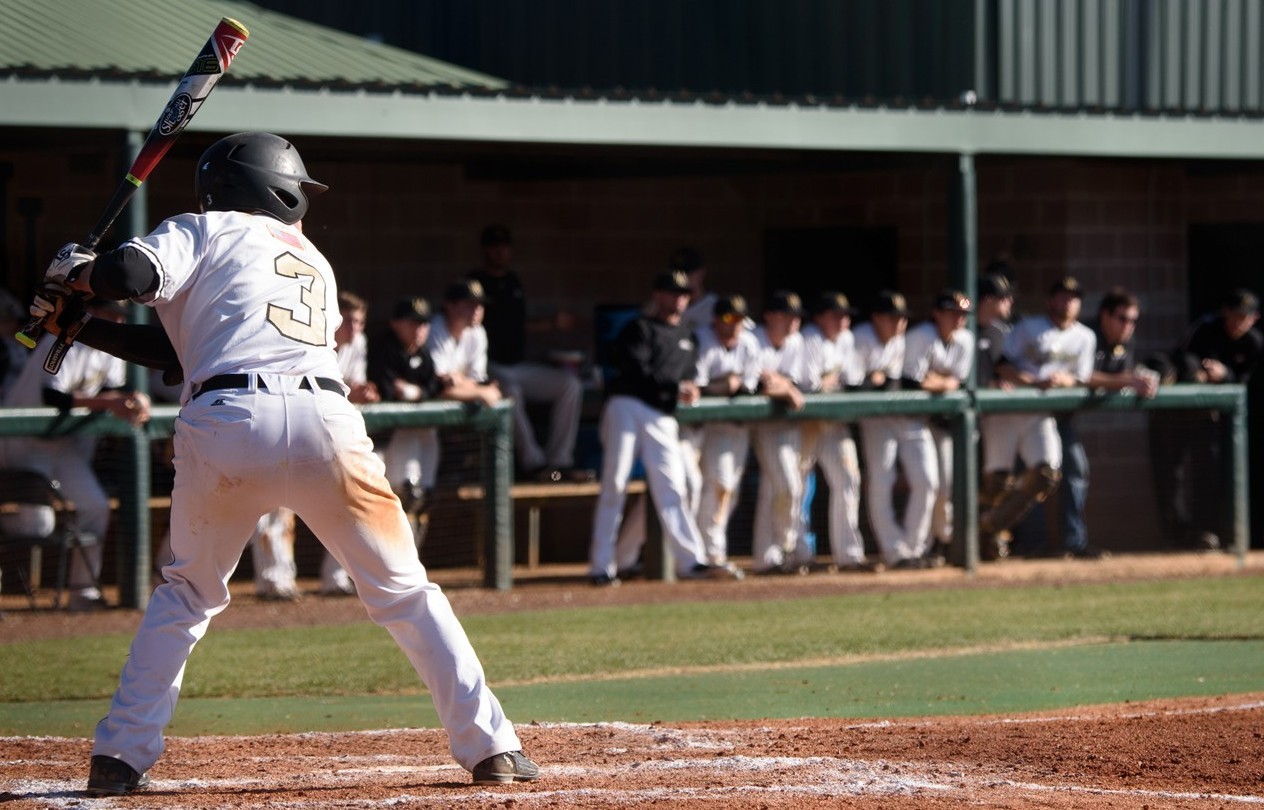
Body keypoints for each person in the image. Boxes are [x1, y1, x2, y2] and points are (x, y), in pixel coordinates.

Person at [27, 132, 538, 794]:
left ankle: (119, 756)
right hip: (327, 423)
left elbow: (130, 277)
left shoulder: (203, 227)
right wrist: (78, 324)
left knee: (188, 594)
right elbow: (185, 347)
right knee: (406, 592)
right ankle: (492, 748)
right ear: (277, 188)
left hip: (228, 422)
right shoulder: (312, 258)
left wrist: (80, 274)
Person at [587, 269, 740, 586]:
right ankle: (601, 566)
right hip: (626, 405)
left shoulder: (688, 337)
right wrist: (674, 388)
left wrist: (691, 389)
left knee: (674, 485)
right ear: (657, 295)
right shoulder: (639, 328)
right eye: (672, 293)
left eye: (683, 294)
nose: (678, 299)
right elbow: (637, 371)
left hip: (661, 414)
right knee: (615, 482)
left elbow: (689, 378)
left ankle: (690, 561)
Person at [1, 298, 152, 611]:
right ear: (92, 313)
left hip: (61, 445)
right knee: (37, 526)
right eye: (110, 314)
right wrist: (111, 403)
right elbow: (53, 396)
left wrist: (134, 397)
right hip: (24, 440)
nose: (118, 321)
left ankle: (82, 594)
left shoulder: (109, 349)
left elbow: (111, 390)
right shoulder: (63, 340)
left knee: (95, 507)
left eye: (120, 317)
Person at [247, 291, 383, 599]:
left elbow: (351, 385)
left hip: (326, 432)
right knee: (274, 503)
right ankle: (275, 580)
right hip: (285, 423)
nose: (354, 328)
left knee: (346, 498)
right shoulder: (307, 333)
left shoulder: (358, 344)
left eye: (359, 322)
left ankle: (338, 577)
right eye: (348, 321)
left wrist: (362, 392)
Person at [982, 276, 1096, 560]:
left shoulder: (1085, 337)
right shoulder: (1028, 327)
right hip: (1008, 410)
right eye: (1062, 296)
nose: (1067, 302)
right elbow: (1002, 366)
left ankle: (990, 526)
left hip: (1040, 413)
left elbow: (1081, 379)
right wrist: (1033, 381)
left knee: (1046, 476)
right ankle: (985, 538)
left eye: (1073, 297)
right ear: (1050, 300)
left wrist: (1065, 381)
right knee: (997, 483)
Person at [468, 224, 587, 482]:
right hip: (489, 365)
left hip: (518, 364)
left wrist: (553, 324)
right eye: (494, 246)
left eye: (504, 246)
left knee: (570, 385)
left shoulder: (513, 281)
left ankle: (560, 461)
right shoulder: (476, 284)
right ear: (485, 249)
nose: (500, 252)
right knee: (512, 392)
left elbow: (518, 324)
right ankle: (534, 463)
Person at [1048, 287, 1158, 560]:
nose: (1128, 326)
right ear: (1105, 316)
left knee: (1070, 471)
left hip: (1064, 417)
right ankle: (1039, 543)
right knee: (1039, 475)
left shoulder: (1123, 343)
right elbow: (1082, 376)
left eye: (1133, 320)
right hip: (1042, 411)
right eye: (1122, 318)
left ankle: (1073, 542)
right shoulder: (1085, 335)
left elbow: (1121, 374)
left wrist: (1140, 377)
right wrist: (1128, 380)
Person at [1149, 287, 1262, 551]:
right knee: (1172, 474)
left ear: (1254, 317)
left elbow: (1243, 383)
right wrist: (1197, 374)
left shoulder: (1254, 343)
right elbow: (1180, 360)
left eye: (1245, 316)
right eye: (1235, 315)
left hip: (1211, 419)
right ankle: (1177, 534)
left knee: (1209, 471)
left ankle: (1206, 531)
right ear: (1225, 312)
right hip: (1176, 415)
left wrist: (1224, 375)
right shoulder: (1205, 328)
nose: (1239, 322)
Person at [853, 290, 934, 570]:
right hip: (876, 418)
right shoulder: (861, 337)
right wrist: (870, 381)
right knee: (882, 479)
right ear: (876, 318)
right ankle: (894, 551)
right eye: (892, 317)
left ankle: (914, 547)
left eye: (902, 318)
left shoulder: (902, 340)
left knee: (928, 480)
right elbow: (852, 386)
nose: (899, 323)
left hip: (904, 415)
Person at [799, 291, 874, 572]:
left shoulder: (846, 339)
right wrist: (830, 381)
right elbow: (811, 387)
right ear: (819, 318)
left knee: (848, 479)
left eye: (845, 316)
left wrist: (831, 381)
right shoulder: (809, 338)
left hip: (834, 423)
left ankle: (849, 555)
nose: (843, 321)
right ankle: (799, 556)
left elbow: (853, 380)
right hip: (806, 422)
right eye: (836, 316)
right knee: (796, 487)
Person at [900, 289, 974, 565]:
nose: (959, 319)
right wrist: (945, 383)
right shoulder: (921, 336)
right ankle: (917, 547)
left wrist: (938, 382)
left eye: (963, 314)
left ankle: (941, 541)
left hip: (942, 422)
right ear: (937, 313)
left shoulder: (966, 339)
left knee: (944, 485)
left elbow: (958, 382)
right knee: (926, 483)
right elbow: (912, 383)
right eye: (952, 313)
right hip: (912, 420)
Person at [689, 293, 761, 570]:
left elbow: (749, 386)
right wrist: (726, 385)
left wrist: (728, 385)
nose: (735, 325)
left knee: (729, 490)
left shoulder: (749, 343)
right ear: (716, 320)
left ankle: (708, 553)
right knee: (707, 485)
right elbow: (699, 389)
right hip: (697, 426)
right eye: (729, 318)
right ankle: (709, 554)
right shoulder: (702, 340)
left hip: (734, 425)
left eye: (740, 319)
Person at [367, 296, 445, 549]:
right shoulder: (383, 348)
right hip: (375, 440)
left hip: (410, 439)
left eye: (423, 323)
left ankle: (408, 557)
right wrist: (415, 392)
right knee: (372, 504)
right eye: (413, 323)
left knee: (417, 497)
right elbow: (387, 389)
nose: (419, 329)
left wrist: (412, 392)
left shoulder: (423, 353)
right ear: (396, 323)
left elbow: (433, 388)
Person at [749, 290, 811, 575]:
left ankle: (771, 556)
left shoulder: (796, 341)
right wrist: (786, 389)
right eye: (786, 315)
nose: (792, 322)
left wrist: (783, 384)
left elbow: (794, 381)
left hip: (781, 424)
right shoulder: (753, 339)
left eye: (795, 316)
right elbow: (760, 385)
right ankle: (783, 548)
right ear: (769, 316)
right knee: (786, 485)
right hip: (746, 423)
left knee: (779, 486)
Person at [429, 278, 504, 409]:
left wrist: (461, 381)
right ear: (449, 306)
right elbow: (441, 386)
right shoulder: (434, 329)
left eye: (480, 305)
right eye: (470, 304)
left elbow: (477, 380)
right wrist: (481, 392)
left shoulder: (477, 332)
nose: (477, 310)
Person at [675, 246, 718, 336]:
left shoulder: (714, 306)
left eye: (689, 273)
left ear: (702, 272)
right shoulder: (663, 305)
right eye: (679, 274)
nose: (684, 278)